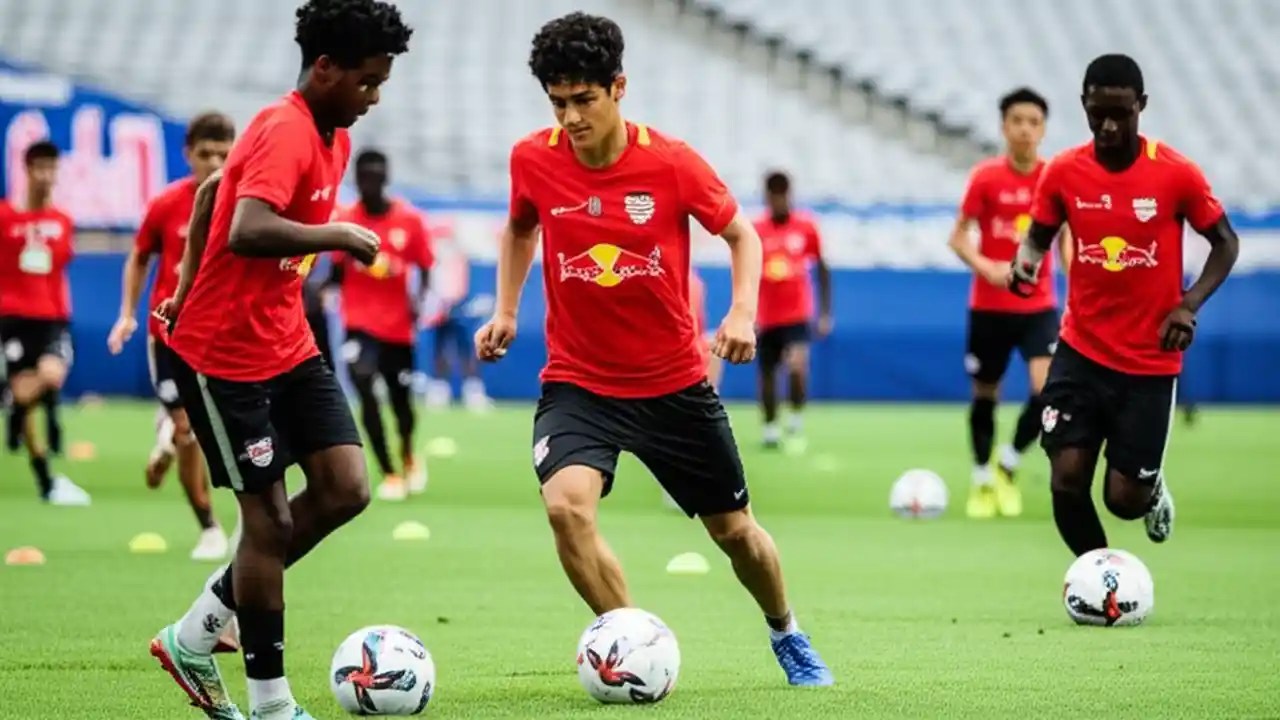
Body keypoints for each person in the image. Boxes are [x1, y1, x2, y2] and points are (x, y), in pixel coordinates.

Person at [476, 12, 833, 687]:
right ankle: (633, 648)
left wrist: (742, 313)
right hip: (579, 381)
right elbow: (519, 228)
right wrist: (505, 309)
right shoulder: (533, 158)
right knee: (565, 508)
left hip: (671, 383)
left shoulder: (670, 162)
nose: (572, 117)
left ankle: (786, 630)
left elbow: (743, 237)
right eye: (559, 102)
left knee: (735, 533)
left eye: (585, 100)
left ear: (618, 88)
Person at [146, 2, 411, 719]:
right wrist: (336, 235)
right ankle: (271, 705)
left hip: (287, 343)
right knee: (269, 525)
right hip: (225, 356)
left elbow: (209, 193)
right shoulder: (285, 127)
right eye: (367, 81)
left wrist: (178, 281)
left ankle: (196, 631)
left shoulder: (333, 134)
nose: (374, 96)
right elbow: (246, 225)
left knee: (347, 486)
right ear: (324, 68)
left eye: (381, 81)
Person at [1009, 53, 1239, 557]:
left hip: (1149, 359)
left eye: (1122, 113)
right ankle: (1106, 578)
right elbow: (1039, 236)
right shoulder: (1064, 172)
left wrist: (1188, 304)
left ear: (1142, 106)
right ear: (1084, 106)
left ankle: (1150, 489)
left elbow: (1225, 242)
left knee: (1123, 500)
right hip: (1080, 349)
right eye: (1098, 113)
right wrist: (1025, 262)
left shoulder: (1175, 174)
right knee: (1067, 479)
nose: (1109, 125)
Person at [108, 111, 236, 560]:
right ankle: (209, 527)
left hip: (224, 340)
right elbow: (140, 257)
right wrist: (127, 314)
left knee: (225, 432)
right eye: (205, 154)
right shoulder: (166, 204)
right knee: (189, 432)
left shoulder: (243, 203)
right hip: (170, 336)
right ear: (188, 155)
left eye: (224, 153)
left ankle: (165, 436)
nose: (215, 162)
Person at [949, 88, 1073, 520]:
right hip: (989, 307)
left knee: (1049, 391)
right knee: (986, 394)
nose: (1024, 129)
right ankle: (983, 478)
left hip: (1039, 306)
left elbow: (1067, 241)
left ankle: (1009, 462)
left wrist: (1078, 288)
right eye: (1017, 120)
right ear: (1004, 126)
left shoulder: (1053, 177)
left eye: (1033, 121)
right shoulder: (986, 178)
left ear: (1043, 129)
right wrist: (987, 267)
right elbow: (958, 236)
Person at [331, 148, 431, 501]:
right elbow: (337, 267)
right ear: (356, 180)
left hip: (398, 329)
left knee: (401, 403)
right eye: (364, 176)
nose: (370, 183)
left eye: (377, 176)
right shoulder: (346, 221)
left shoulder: (409, 220)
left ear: (385, 178)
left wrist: (419, 304)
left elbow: (425, 266)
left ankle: (407, 453)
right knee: (361, 379)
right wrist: (327, 288)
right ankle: (389, 471)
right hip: (358, 323)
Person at [0, 140, 89, 505]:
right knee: (27, 394)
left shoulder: (62, 220)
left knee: (49, 376)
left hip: (51, 317)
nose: (47, 176)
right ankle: (46, 482)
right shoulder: (5, 216)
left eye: (53, 169)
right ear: (27, 169)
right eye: (41, 168)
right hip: (12, 317)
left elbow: (58, 267)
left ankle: (15, 410)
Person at [753, 171, 830, 452]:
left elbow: (822, 268)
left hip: (797, 313)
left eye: (782, 195)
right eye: (773, 196)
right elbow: (745, 271)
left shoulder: (806, 227)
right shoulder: (756, 230)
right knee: (768, 374)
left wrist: (824, 312)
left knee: (797, 366)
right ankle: (770, 426)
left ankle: (796, 418)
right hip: (767, 317)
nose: (778, 201)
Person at [422, 227, 494, 412]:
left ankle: (473, 391)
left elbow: (461, 285)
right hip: (439, 310)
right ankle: (439, 389)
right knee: (440, 350)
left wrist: (456, 304)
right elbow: (430, 285)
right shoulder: (432, 261)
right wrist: (436, 307)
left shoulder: (459, 260)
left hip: (458, 308)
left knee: (466, 349)